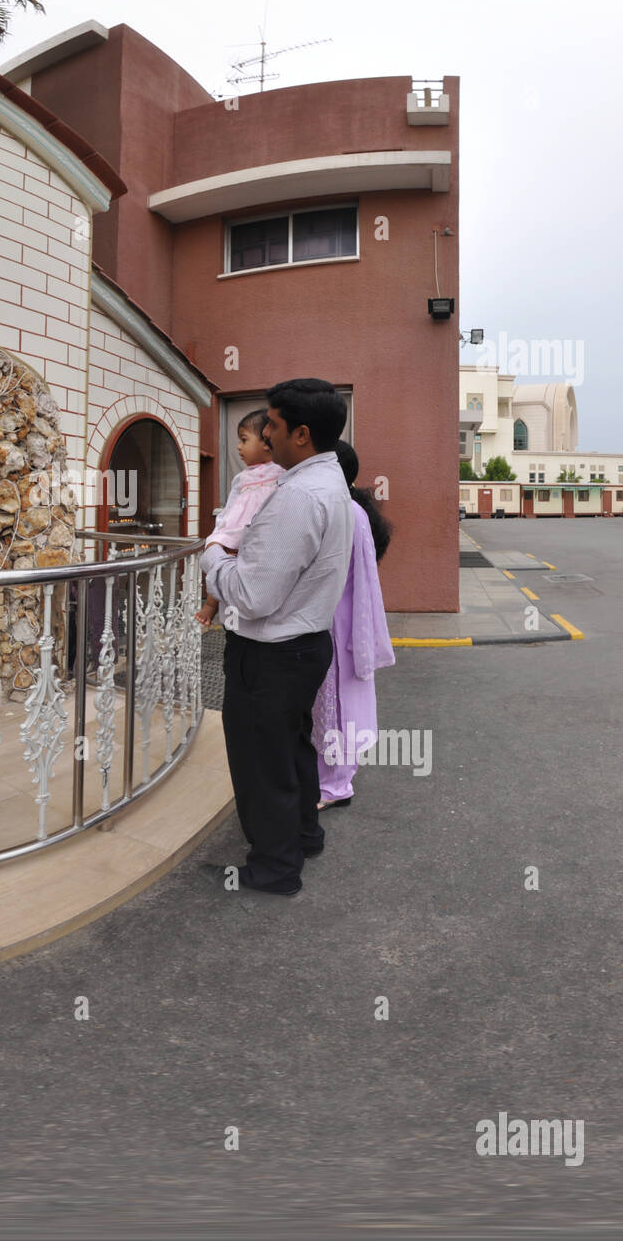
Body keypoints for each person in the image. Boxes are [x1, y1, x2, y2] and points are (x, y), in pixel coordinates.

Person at [199, 378, 353, 896]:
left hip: (271, 654)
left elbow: (254, 593)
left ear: (302, 434)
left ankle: (274, 867)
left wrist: (213, 555)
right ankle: (303, 836)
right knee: (290, 750)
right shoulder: (327, 481)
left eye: (274, 425)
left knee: (261, 763)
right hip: (302, 646)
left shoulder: (298, 497)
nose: (265, 434)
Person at [312, 439, 394, 808]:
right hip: (342, 622)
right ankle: (337, 777)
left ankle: (335, 785)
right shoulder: (352, 509)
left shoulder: (345, 511)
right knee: (338, 703)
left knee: (336, 706)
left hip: (337, 623)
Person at [196, 410, 280, 629]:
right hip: (235, 534)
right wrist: (219, 533)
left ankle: (238, 624)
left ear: (266, 441)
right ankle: (212, 608)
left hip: (261, 535)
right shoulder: (242, 478)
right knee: (221, 570)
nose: (238, 447)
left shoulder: (282, 471)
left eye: (244, 440)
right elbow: (230, 509)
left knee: (245, 582)